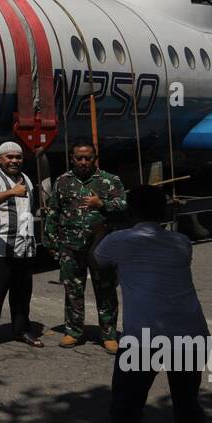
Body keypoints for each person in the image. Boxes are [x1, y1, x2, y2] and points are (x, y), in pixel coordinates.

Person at [91, 184, 210, 423]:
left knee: (126, 410)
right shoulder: (181, 242)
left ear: (130, 211)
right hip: (190, 332)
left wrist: (101, 229)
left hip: (144, 338)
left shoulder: (120, 241)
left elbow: (98, 261)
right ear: (164, 212)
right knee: (187, 405)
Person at [42, 139, 126, 351]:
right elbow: (53, 212)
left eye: (87, 158)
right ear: (72, 158)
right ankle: (73, 331)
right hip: (71, 247)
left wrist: (102, 204)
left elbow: (124, 206)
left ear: (94, 159)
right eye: (79, 158)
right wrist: (50, 241)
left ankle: (108, 334)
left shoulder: (109, 181)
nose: (83, 162)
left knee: (106, 290)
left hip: (101, 247)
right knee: (73, 291)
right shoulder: (62, 181)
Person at [0, 141, 43, 352]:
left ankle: (21, 330)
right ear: (0, 159)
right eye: (9, 157)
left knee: (22, 295)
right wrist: (11, 192)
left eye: (18, 157)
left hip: (24, 249)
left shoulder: (26, 179)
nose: (14, 161)